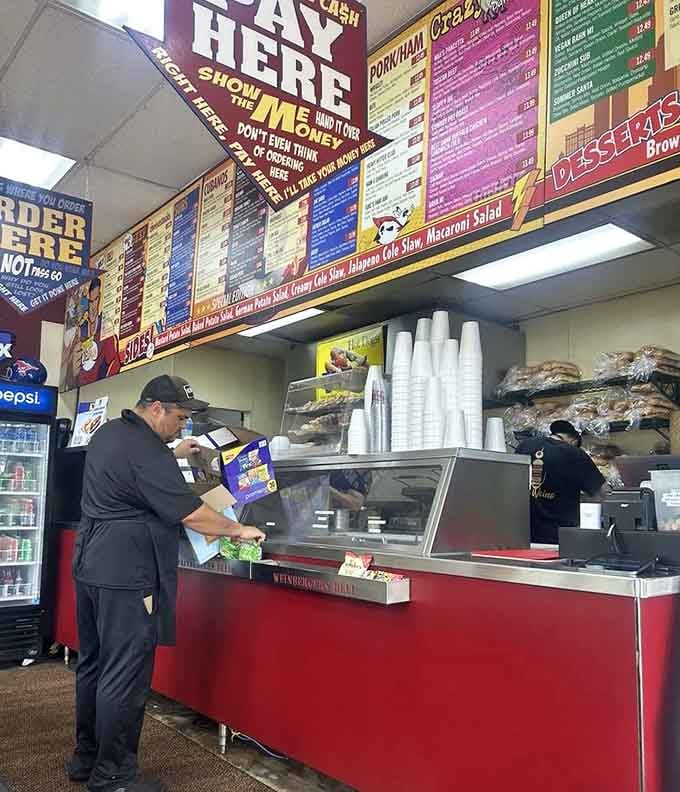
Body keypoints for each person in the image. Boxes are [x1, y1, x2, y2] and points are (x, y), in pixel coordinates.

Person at [67, 375, 265, 792]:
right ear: (155, 407)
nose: (184, 426)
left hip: (91, 562)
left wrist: (171, 452)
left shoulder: (111, 434)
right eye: (180, 417)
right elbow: (190, 513)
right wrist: (236, 529)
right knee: (124, 674)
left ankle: (86, 759)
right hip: (126, 570)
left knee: (94, 665)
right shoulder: (145, 450)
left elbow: (134, 471)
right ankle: (113, 778)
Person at [516, 420, 610, 544]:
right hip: (558, 535)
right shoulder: (575, 454)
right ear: (574, 441)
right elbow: (602, 492)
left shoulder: (524, 446)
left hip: (522, 532)